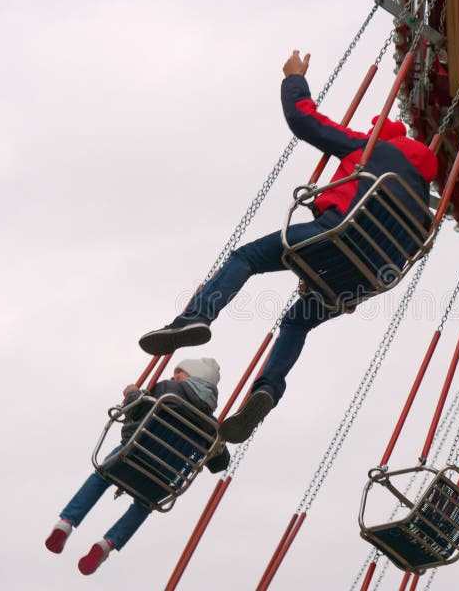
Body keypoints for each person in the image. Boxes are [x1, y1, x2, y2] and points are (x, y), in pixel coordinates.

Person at [139, 49, 438, 444]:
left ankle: (195, 318)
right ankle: (267, 389)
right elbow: (416, 248)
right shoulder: (422, 204)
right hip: (367, 277)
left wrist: (294, 77)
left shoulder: (369, 147)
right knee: (298, 321)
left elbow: (304, 120)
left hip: (337, 233)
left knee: (247, 257)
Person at [44, 358, 229, 575]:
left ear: (194, 377)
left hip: (131, 456)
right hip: (162, 481)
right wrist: (221, 441)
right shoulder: (212, 427)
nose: (173, 377)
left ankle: (65, 524)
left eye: (179, 373)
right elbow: (220, 464)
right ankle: (107, 546)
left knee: (102, 476)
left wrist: (131, 393)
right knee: (144, 505)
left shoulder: (168, 389)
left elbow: (138, 411)